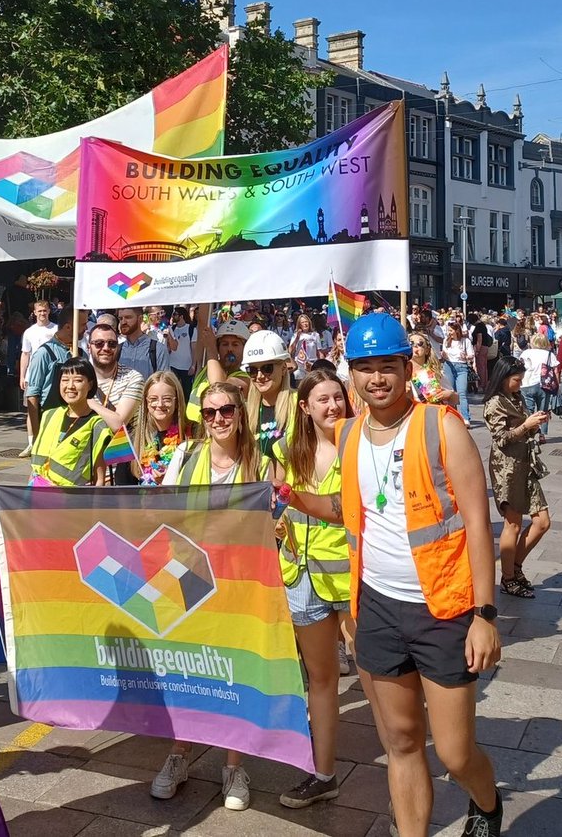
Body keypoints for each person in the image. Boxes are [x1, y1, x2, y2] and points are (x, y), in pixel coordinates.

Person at [283, 313, 503, 837]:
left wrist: (485, 615)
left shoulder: (440, 426)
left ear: (407, 368)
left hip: (443, 608)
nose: (376, 378)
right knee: (401, 743)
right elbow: (346, 507)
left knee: (452, 753)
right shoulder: (351, 434)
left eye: (388, 366)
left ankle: (488, 803)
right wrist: (291, 497)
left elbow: (477, 521)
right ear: (351, 374)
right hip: (376, 607)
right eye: (365, 368)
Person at [151, 380, 272, 811]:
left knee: (233, 672)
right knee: (186, 672)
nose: (218, 419)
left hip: (239, 583)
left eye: (226, 411)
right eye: (209, 412)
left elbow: (274, 520)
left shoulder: (261, 462)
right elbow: (161, 511)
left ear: (240, 413)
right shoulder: (185, 457)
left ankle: (233, 766)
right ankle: (179, 755)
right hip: (188, 579)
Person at [273, 370, 355, 810]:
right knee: (321, 679)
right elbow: (272, 507)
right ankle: (324, 774)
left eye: (337, 397)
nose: (331, 406)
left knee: (377, 677)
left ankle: (405, 765)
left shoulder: (360, 446)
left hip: (349, 577)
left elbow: (345, 511)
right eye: (321, 399)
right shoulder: (285, 449)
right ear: (304, 407)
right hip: (300, 577)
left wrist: (292, 499)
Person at [484, 357, 551, 599]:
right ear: (503, 378)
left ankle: (515, 567)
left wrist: (534, 423)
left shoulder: (515, 398)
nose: (520, 384)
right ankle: (508, 577)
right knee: (512, 524)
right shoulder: (494, 403)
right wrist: (527, 425)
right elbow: (500, 438)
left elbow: (521, 426)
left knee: (542, 521)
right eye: (517, 380)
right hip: (507, 469)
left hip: (525, 464)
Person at [29, 358, 112, 486]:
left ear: (90, 384)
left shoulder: (97, 425)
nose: (70, 386)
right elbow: (35, 467)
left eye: (78, 380)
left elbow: (99, 478)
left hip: (71, 498)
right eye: (65, 380)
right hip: (38, 490)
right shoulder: (49, 415)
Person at [86, 321, 145, 482]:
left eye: (112, 344)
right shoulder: (78, 378)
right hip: (83, 467)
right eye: (99, 343)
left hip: (118, 468)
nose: (105, 348)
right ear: (88, 346)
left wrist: (87, 400)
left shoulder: (133, 378)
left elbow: (119, 424)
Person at [241, 330, 296, 458]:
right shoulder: (245, 411)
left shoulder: (300, 404)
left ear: (283, 368)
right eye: (253, 370)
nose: (259, 376)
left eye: (267, 368)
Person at [130, 371, 191, 485]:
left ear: (177, 401)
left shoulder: (191, 434)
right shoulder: (135, 438)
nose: (160, 404)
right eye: (153, 399)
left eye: (167, 399)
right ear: (146, 402)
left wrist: (170, 478)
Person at [24, 308, 75, 439]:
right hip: (49, 424)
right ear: (69, 326)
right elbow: (33, 394)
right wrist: (36, 435)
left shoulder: (79, 352)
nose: (86, 328)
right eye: (82, 324)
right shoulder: (44, 353)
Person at [519, 333, 557, 439]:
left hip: (526, 383)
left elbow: (521, 367)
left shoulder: (525, 353)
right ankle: (542, 434)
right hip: (544, 385)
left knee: (528, 409)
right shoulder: (549, 354)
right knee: (543, 410)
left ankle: (528, 431)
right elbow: (555, 370)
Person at [407, 332, 458, 409]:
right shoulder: (402, 373)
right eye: (411, 343)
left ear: (427, 350)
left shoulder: (434, 373)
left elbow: (456, 400)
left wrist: (449, 394)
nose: (415, 345)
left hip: (430, 415)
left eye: (420, 343)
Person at [117, 307, 170, 378]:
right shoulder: (117, 350)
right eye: (120, 319)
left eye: (128, 317)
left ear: (140, 319)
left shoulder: (158, 349)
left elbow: (164, 382)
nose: (123, 322)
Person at [440, 320, 475, 426]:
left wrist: (466, 357)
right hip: (449, 365)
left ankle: (465, 417)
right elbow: (444, 354)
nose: (449, 332)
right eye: (448, 330)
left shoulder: (465, 341)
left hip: (461, 367)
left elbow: (471, 355)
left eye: (451, 330)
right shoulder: (446, 340)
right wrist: (443, 356)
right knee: (450, 392)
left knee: (462, 393)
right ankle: (453, 416)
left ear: (456, 330)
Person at [166, 306, 196, 395]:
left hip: (186, 366)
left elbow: (194, 349)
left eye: (175, 314)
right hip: (173, 364)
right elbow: (171, 347)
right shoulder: (172, 329)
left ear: (181, 316)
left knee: (186, 391)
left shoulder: (191, 329)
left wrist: (193, 365)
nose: (173, 316)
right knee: (173, 389)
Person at [289, 313, 322, 381]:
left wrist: (322, 364)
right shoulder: (295, 335)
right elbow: (290, 350)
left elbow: (319, 352)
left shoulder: (315, 335)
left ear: (309, 323)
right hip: (300, 364)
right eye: (302, 322)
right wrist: (297, 338)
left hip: (312, 363)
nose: (305, 324)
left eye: (306, 321)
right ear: (299, 324)